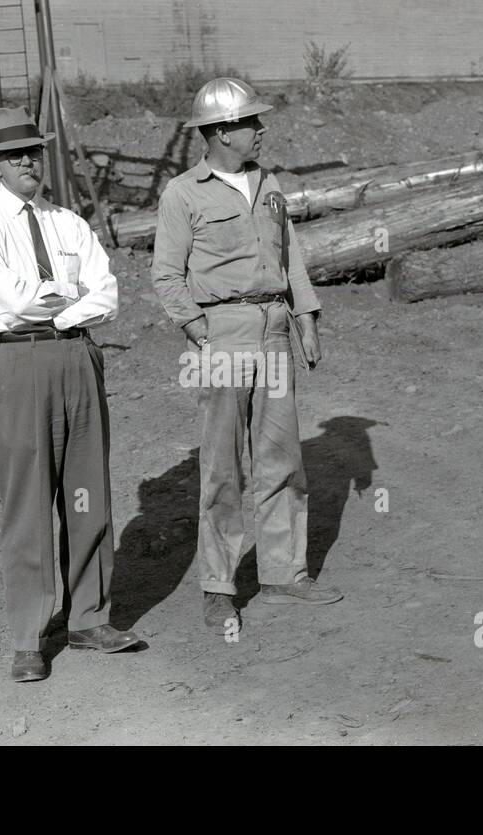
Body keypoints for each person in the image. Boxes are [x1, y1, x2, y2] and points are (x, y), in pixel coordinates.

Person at [151, 78, 343, 637]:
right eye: (248, 123)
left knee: (282, 459)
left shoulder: (270, 183)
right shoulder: (183, 194)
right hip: (223, 332)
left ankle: (284, 573)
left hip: (275, 329)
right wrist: (197, 330)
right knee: (223, 467)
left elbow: (293, 258)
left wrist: (306, 319)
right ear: (217, 133)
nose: (260, 130)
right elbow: (166, 274)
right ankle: (219, 587)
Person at [0, 106, 139, 682]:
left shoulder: (69, 224)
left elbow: (105, 294)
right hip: (20, 361)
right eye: (15, 155)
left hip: (77, 358)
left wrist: (61, 304)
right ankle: (29, 637)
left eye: (34, 152)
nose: (28, 162)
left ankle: (89, 618)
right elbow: (14, 302)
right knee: (27, 501)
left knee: (88, 494)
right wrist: (62, 296)